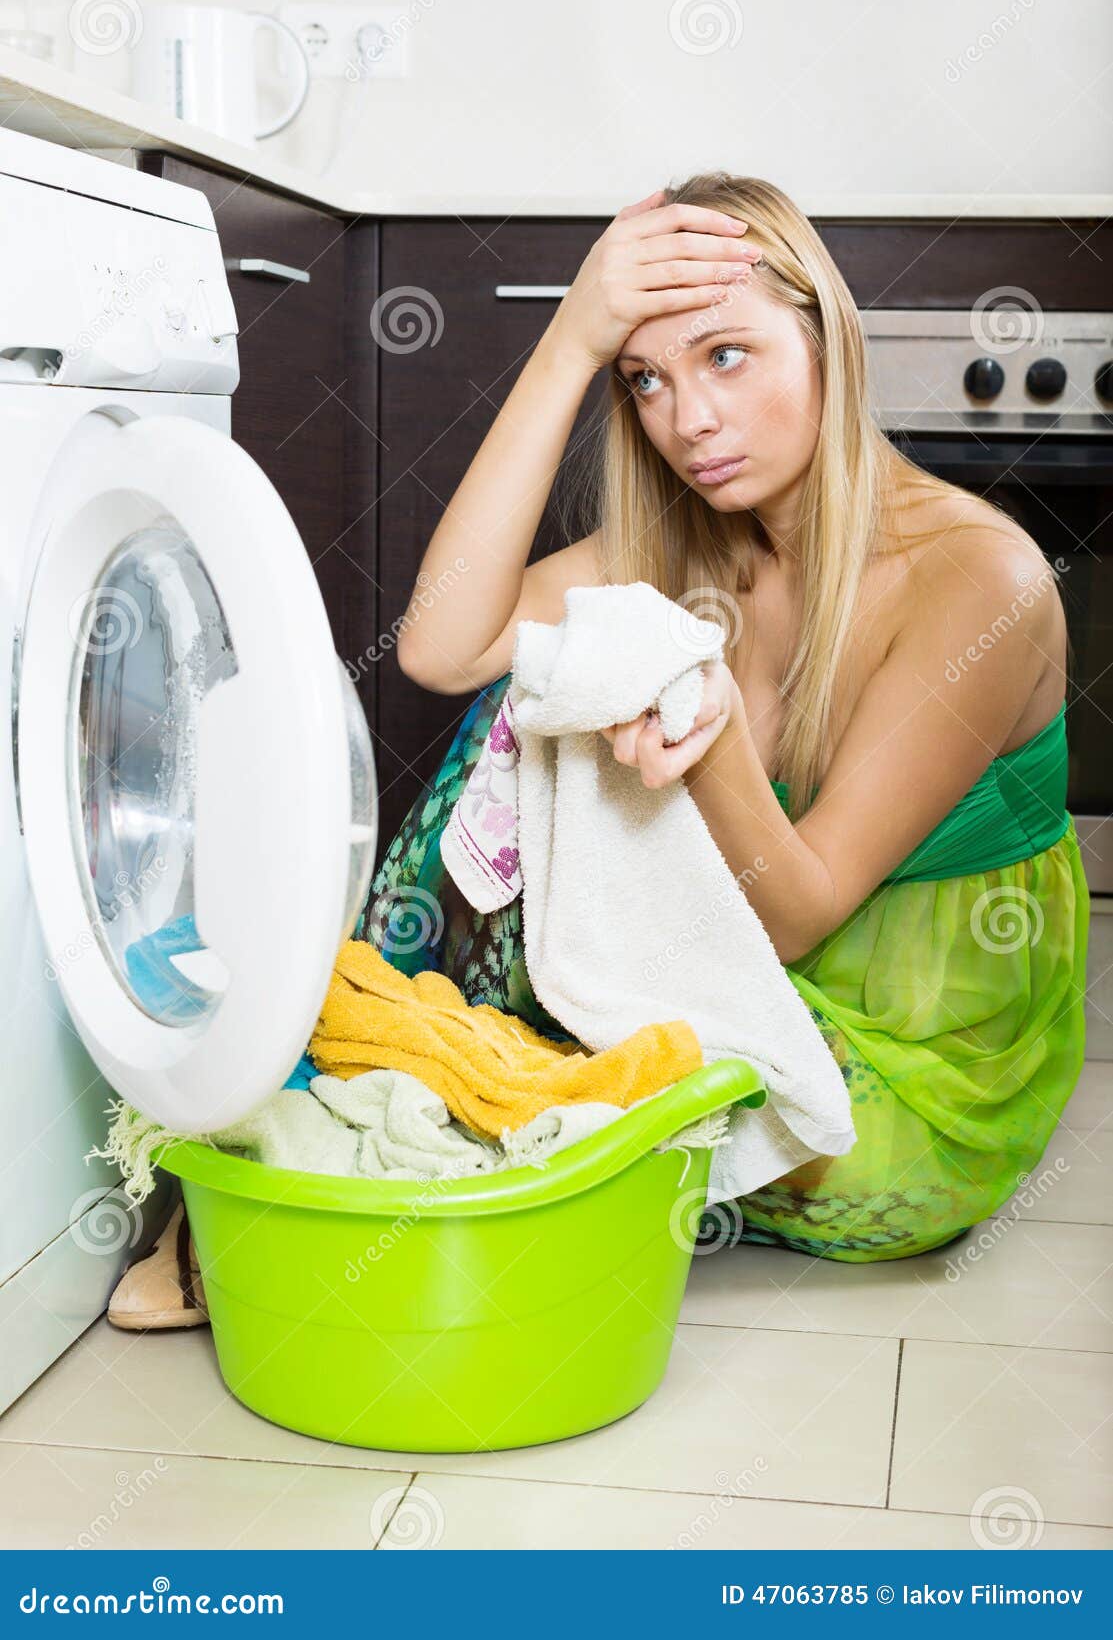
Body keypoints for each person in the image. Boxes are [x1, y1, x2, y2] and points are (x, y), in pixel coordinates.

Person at [111, 172, 1088, 1327]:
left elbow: (798, 912)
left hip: (897, 1092)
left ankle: (408, 1117)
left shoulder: (979, 579)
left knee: (577, 722)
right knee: (529, 694)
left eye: (728, 355)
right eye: (647, 379)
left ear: (827, 339)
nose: (690, 420)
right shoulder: (687, 546)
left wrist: (710, 730)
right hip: (723, 982)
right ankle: (427, 1103)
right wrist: (571, 342)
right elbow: (444, 646)